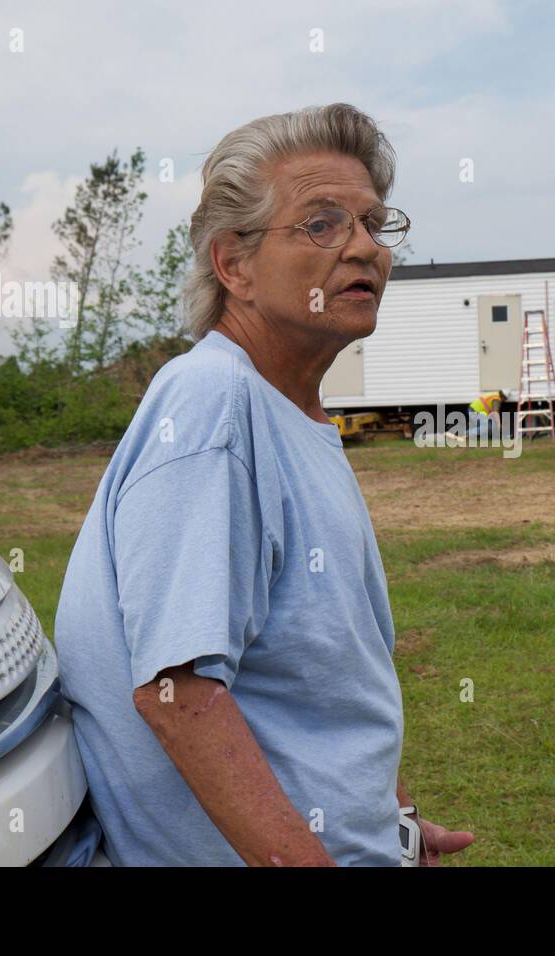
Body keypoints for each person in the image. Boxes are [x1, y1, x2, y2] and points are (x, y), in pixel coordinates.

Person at [54, 103, 473, 866]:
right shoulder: (213, 403)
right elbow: (179, 697)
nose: (365, 249)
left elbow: (322, 676)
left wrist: (395, 821)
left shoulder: (292, 413)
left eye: (375, 224)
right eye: (321, 224)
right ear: (233, 265)